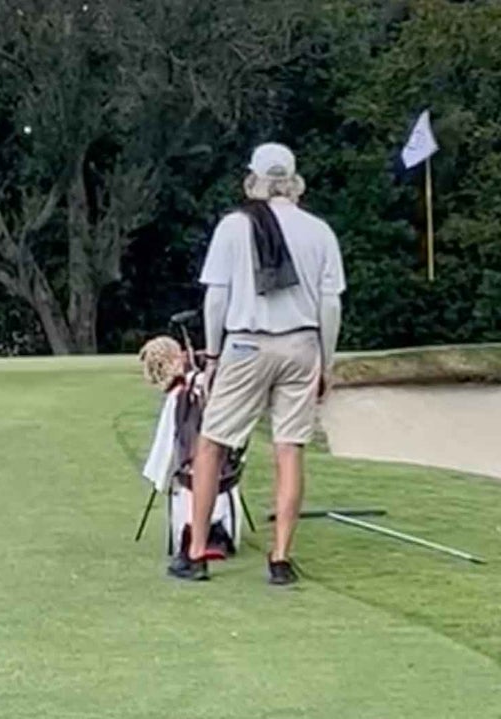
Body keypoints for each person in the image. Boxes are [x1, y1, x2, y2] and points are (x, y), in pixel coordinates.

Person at [168, 142, 345, 585]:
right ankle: (280, 558)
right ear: (294, 181)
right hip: (302, 344)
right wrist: (326, 359)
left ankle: (195, 552)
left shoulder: (233, 226)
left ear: (254, 180)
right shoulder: (319, 230)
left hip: (247, 345)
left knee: (211, 444)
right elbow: (330, 306)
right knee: (289, 448)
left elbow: (217, 298)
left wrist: (211, 355)